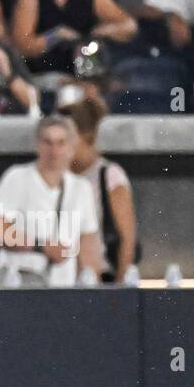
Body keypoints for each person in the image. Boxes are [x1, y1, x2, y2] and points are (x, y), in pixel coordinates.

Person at [0, 114, 102, 287]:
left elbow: (89, 245)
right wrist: (41, 247)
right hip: (19, 284)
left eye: (61, 143)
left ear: (71, 147)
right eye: (48, 142)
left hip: (63, 288)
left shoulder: (81, 188)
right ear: (38, 145)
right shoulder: (17, 177)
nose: (54, 151)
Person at [61, 95, 138, 282]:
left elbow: (127, 240)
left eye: (68, 139)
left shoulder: (109, 175)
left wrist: (119, 292)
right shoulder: (58, 175)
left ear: (85, 137)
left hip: (99, 278)